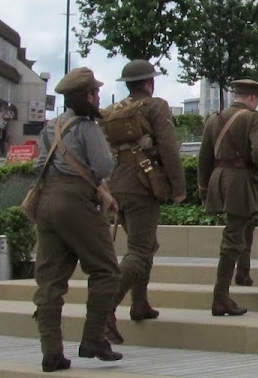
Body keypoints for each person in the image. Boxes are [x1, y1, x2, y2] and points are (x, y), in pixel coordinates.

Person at [30, 67, 123, 372]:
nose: (99, 97)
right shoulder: (88, 127)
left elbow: (40, 164)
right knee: (106, 270)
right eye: (96, 92)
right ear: (88, 96)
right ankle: (93, 337)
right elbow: (103, 166)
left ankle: (51, 353)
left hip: (47, 202)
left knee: (50, 282)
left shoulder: (51, 126)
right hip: (77, 203)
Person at [101, 60, 186, 344]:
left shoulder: (115, 110)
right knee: (139, 250)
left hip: (118, 184)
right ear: (150, 82)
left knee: (147, 245)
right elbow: (169, 148)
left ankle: (140, 302)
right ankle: (105, 308)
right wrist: (178, 187)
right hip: (143, 185)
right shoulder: (155, 106)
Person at [197, 79, 258, 317]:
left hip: (218, 178)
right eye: (257, 100)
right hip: (239, 179)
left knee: (248, 221)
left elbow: (204, 157)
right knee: (233, 236)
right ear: (252, 98)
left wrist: (203, 189)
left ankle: (243, 272)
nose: (257, 104)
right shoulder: (253, 118)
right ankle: (220, 297)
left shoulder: (214, 118)